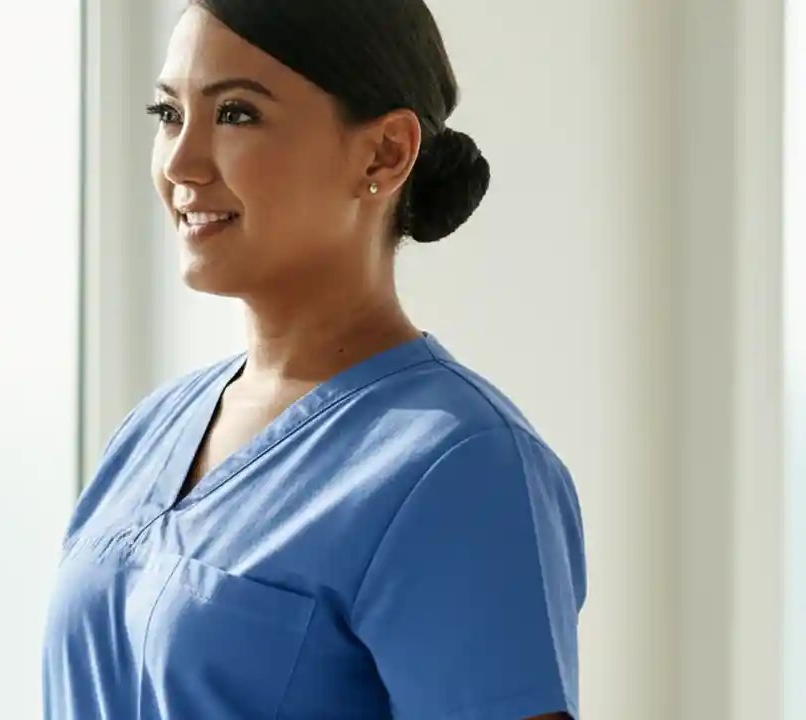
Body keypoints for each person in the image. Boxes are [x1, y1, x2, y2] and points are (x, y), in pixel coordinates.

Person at [42, 1, 586, 717]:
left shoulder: (461, 468)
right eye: (168, 113)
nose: (180, 161)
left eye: (235, 113)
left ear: (384, 153)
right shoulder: (151, 430)